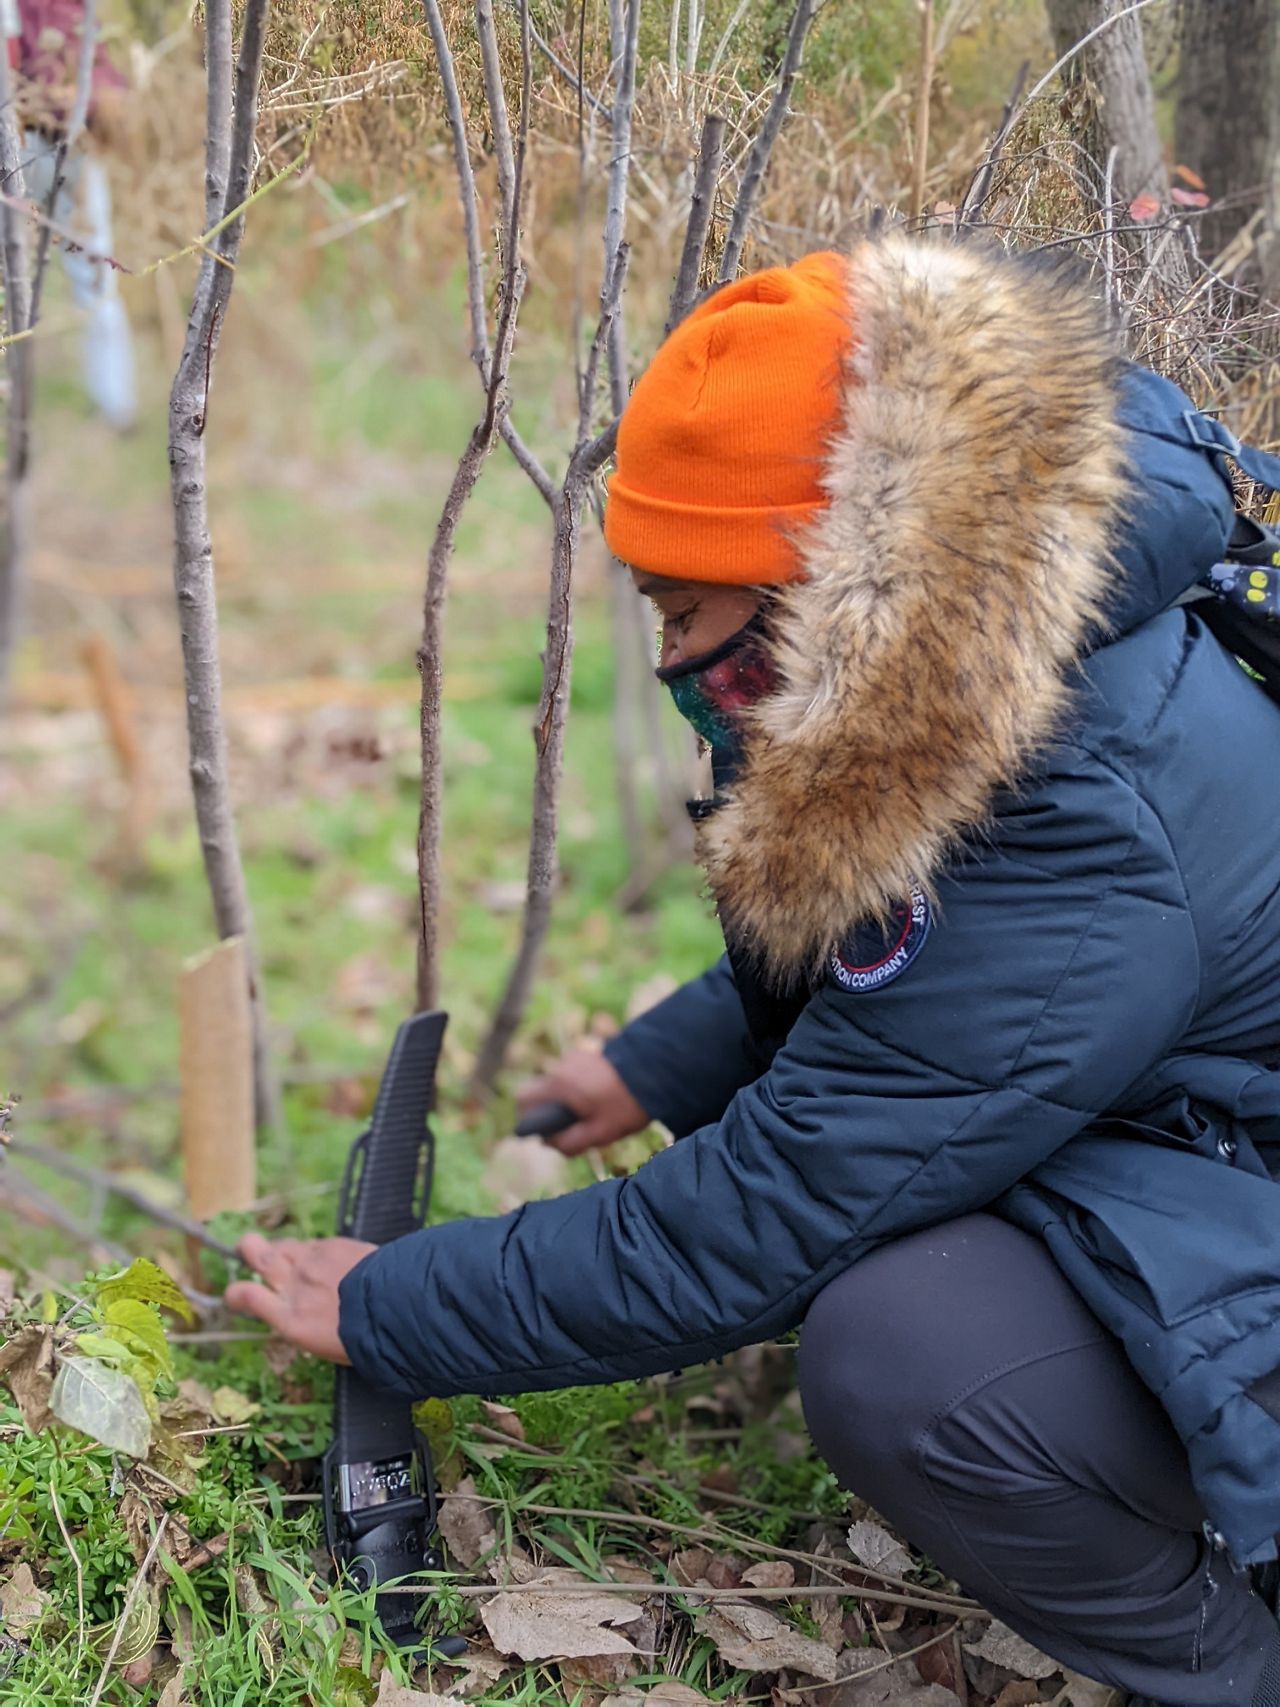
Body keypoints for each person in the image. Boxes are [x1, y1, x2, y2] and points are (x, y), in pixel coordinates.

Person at [226, 236, 1280, 1706]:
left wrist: (393, 1306)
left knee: (905, 1353)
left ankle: (1234, 1663)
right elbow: (929, 986)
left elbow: (769, 1212)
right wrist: (653, 1060)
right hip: (1204, 1153)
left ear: (821, 584)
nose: (671, 656)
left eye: (683, 608)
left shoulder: (1083, 799)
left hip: (1244, 1205)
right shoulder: (1002, 659)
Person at [6, 0, 136, 429]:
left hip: (66, 142)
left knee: (96, 273)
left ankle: (115, 406)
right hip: (29, 142)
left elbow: (96, 59)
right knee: (90, 275)